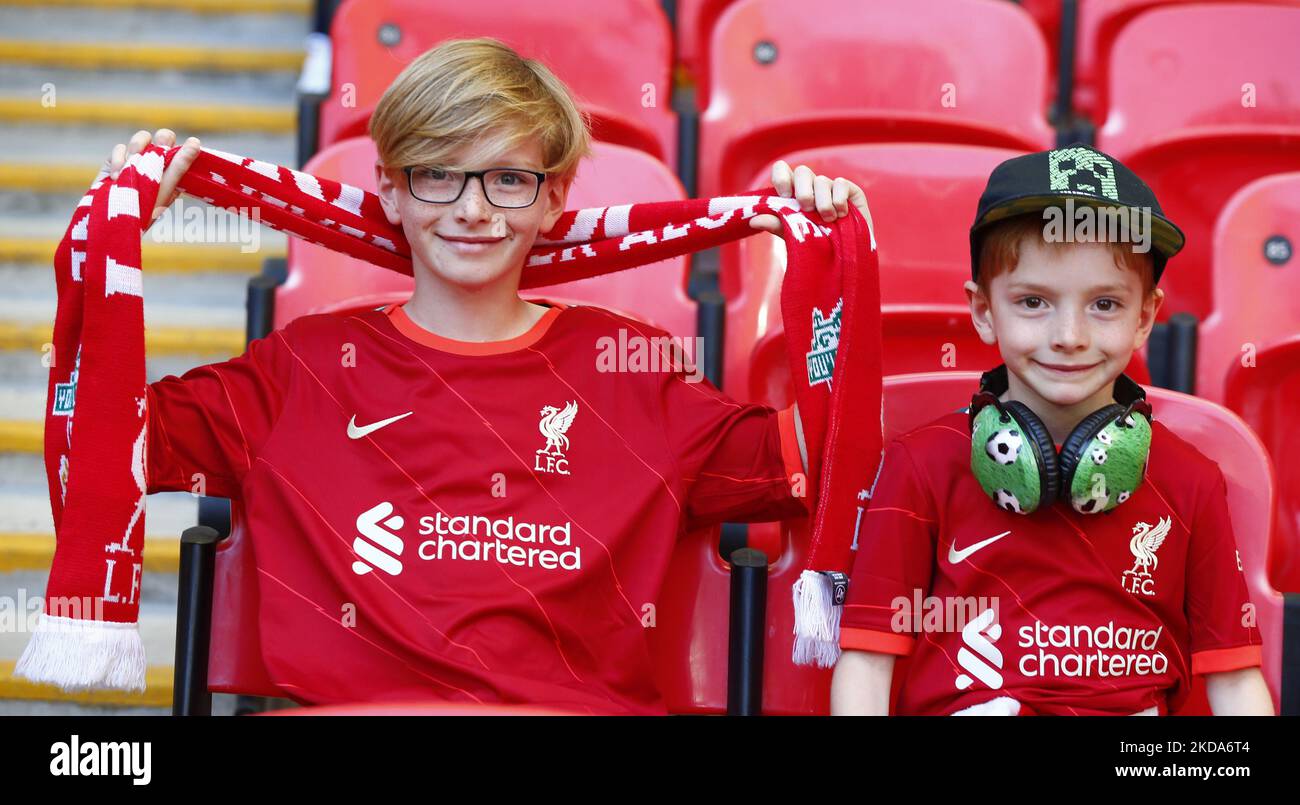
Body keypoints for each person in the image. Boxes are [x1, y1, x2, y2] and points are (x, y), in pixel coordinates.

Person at [105, 38, 872, 714]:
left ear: (556, 198)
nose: (473, 209)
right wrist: (121, 240)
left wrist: (831, 270)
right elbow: (100, 444)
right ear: (390, 190)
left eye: (508, 180)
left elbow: (827, 459)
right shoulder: (299, 368)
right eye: (438, 173)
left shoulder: (629, 370)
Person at [830, 144, 1273, 716]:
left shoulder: (1192, 480)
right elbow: (866, 661)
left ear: (1145, 318)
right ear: (984, 311)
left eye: (1105, 304)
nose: (1069, 335)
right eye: (1033, 301)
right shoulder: (920, 464)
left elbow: (1236, 681)